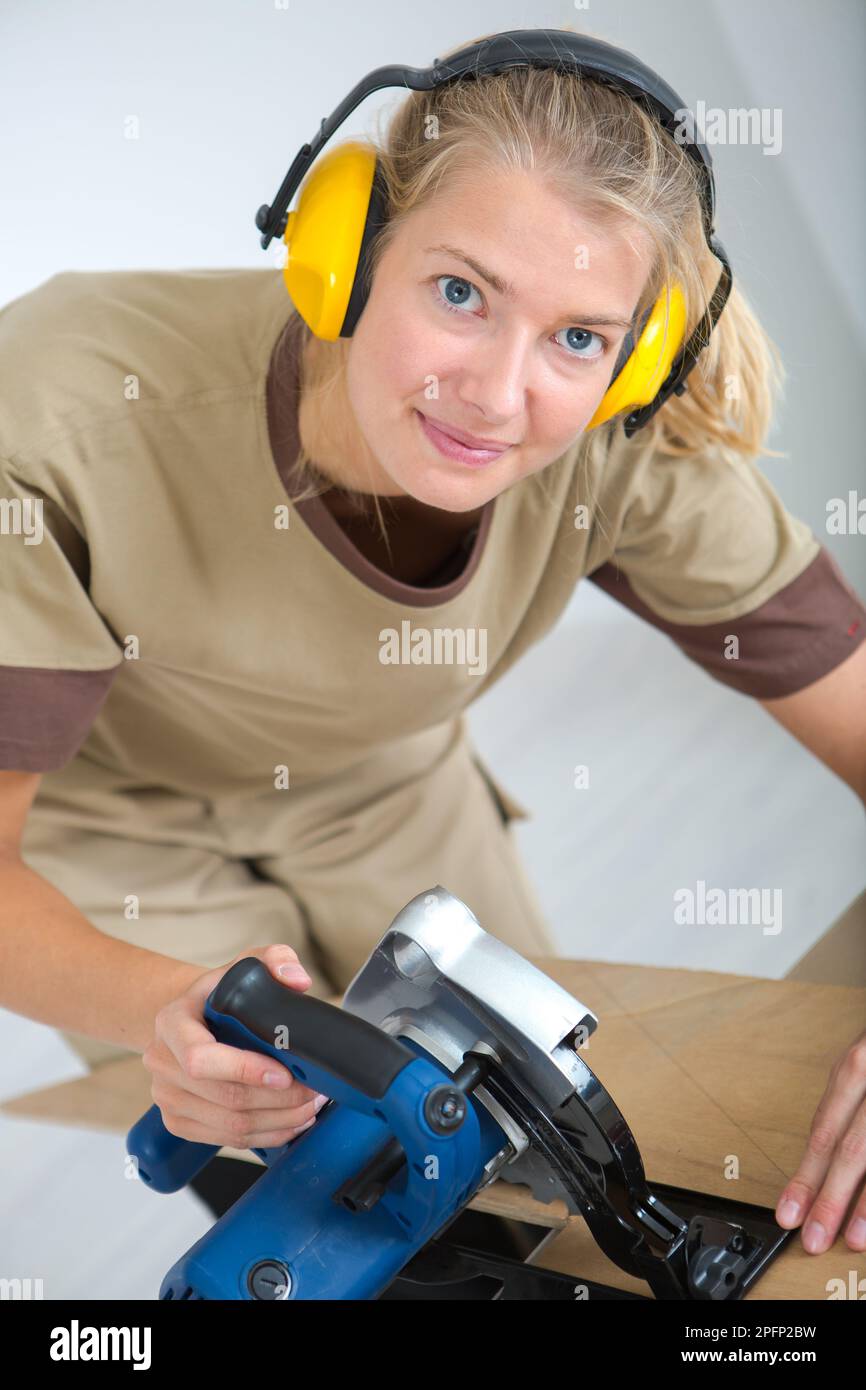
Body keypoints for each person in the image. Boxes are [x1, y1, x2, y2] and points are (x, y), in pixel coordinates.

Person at [1, 29, 864, 1247]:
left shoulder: (621, 450)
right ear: (344, 250)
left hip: (386, 787)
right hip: (103, 829)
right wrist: (162, 1009)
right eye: (460, 293)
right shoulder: (54, 414)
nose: (497, 395)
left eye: (577, 337)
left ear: (638, 356)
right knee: (306, 1210)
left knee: (541, 1170)